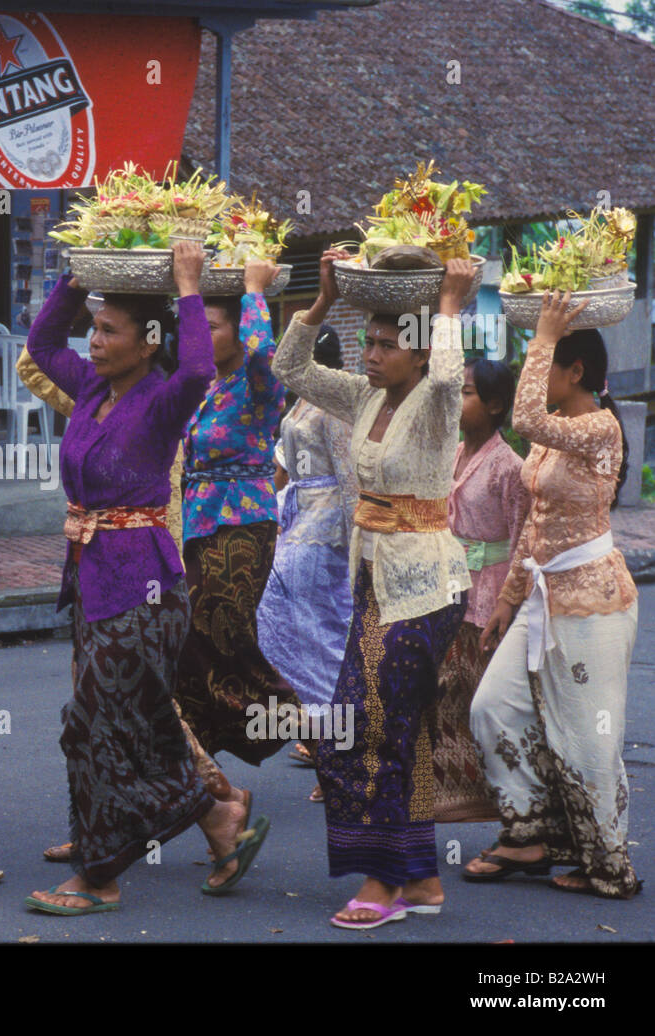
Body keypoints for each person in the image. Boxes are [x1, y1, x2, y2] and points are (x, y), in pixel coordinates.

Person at [21, 241, 264, 915]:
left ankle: (99, 876)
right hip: (93, 580)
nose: (94, 342)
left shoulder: (163, 400)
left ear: (146, 342)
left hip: (144, 590)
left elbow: (196, 364)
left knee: (98, 725)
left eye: (108, 331)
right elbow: (41, 345)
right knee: (140, 724)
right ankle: (220, 823)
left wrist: (188, 286)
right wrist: (77, 281)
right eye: (94, 329)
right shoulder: (93, 388)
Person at [273, 250, 474, 929]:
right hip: (373, 580)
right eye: (371, 342)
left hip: (427, 586)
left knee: (367, 726)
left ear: (418, 353)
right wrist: (323, 299)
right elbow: (290, 370)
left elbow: (449, 369)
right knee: (391, 729)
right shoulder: (363, 398)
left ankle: (382, 882)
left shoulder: (437, 397)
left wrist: (447, 305)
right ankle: (417, 877)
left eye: (389, 345)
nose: (373, 354)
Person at [465, 301, 641, 899]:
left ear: (576, 371)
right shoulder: (550, 438)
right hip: (542, 594)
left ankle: (609, 867)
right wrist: (507, 600)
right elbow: (535, 527)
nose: (534, 379)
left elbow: (525, 419)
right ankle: (530, 831)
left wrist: (541, 331)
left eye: (546, 365)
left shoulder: (599, 427)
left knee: (589, 737)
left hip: (594, 600)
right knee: (491, 708)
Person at [174, 261, 297, 814]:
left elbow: (263, 354)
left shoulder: (258, 387)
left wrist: (253, 292)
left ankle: (291, 713)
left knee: (220, 638)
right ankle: (204, 771)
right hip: (199, 525)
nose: (204, 335)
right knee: (191, 645)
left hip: (243, 523)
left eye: (213, 325)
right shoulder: (208, 387)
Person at [256, 324, 358, 801]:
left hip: (327, 520)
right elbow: (282, 464)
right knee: (289, 623)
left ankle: (344, 740)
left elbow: (350, 476)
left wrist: (358, 540)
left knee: (321, 631)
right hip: (296, 510)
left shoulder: (336, 405)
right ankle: (325, 739)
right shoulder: (297, 401)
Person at [433, 358, 526, 822]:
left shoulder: (509, 467)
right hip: (449, 587)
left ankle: (492, 794)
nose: (457, 401)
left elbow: (522, 539)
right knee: (445, 691)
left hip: (487, 596)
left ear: (494, 405)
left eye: (466, 393)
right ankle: (451, 789)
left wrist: (508, 604)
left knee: (474, 694)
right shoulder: (453, 452)